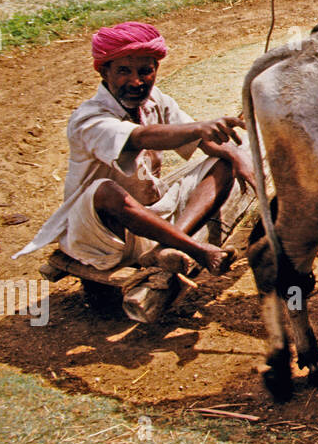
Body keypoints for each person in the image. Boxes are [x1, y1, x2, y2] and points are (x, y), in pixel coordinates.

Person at [15, 21, 255, 278]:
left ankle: (166, 246)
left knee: (222, 162)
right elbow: (139, 137)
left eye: (145, 71)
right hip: (101, 233)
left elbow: (201, 140)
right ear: (104, 72)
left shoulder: (155, 100)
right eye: (123, 71)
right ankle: (196, 249)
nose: (136, 81)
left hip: (149, 219)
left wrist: (235, 155)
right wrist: (199, 129)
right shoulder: (88, 119)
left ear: (156, 69)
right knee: (104, 191)